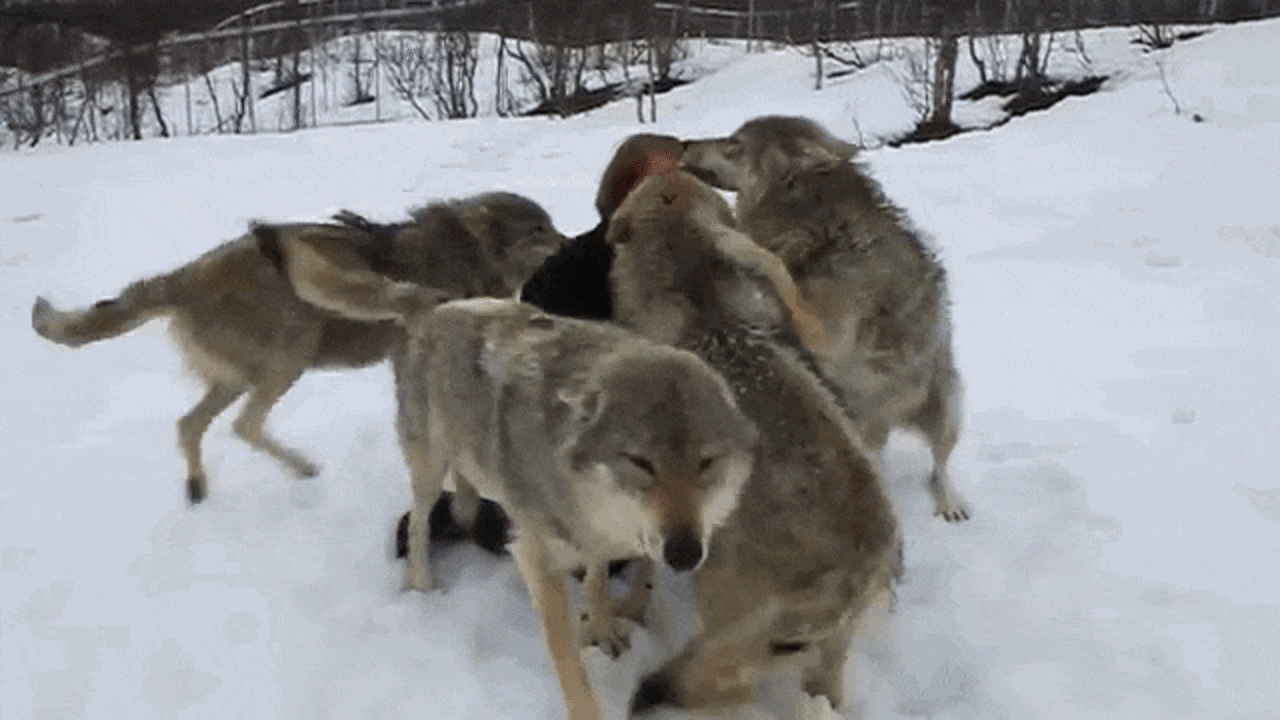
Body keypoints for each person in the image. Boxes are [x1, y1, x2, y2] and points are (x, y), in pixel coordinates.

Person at [421, 133, 685, 555]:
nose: (679, 193)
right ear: (624, 194)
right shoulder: (571, 273)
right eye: (663, 184)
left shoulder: (690, 262)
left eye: (684, 181)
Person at [520, 133, 683, 320]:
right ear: (624, 188)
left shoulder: (697, 263)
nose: (680, 194)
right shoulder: (567, 273)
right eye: (661, 183)